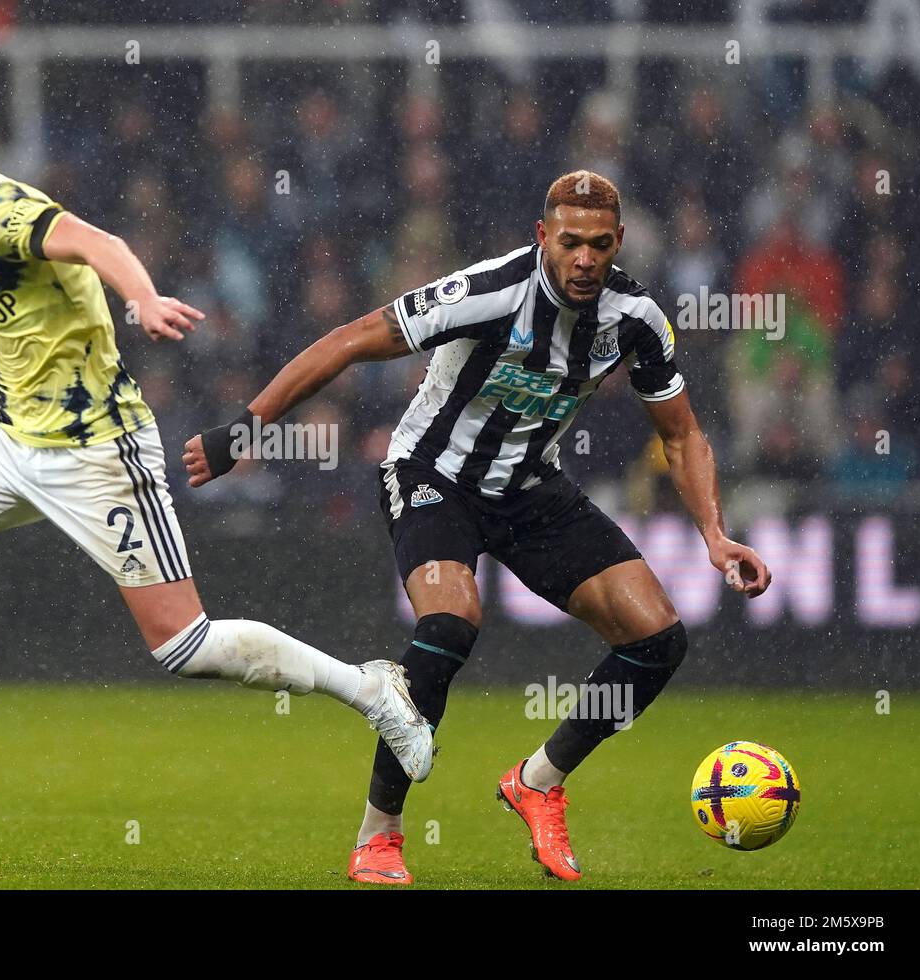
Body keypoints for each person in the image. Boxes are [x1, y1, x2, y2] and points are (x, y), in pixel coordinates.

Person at [0, 77, 433, 815]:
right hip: (11, 441)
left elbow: (99, 242)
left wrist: (142, 296)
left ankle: (371, 688)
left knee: (185, 647)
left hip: (100, 452)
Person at [184, 170, 772, 883]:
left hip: (529, 488)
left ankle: (539, 781)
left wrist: (714, 533)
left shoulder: (635, 318)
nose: (584, 260)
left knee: (658, 639)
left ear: (618, 243)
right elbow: (349, 339)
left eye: (598, 246)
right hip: (432, 476)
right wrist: (244, 430)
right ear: (542, 238)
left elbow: (680, 435)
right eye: (569, 243)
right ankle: (380, 834)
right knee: (450, 625)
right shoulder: (489, 291)